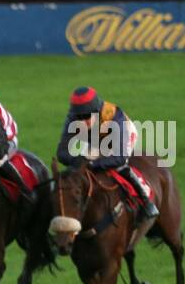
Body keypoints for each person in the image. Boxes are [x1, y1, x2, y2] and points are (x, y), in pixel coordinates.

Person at [56, 86, 158, 243]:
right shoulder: (73, 117)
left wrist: (92, 164)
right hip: (95, 140)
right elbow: (62, 152)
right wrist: (78, 162)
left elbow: (119, 157)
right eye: (79, 118)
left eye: (87, 117)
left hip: (120, 137)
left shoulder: (115, 116)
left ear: (96, 111)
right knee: (76, 171)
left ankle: (146, 202)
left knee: (117, 166)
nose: (83, 121)